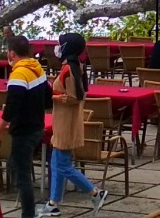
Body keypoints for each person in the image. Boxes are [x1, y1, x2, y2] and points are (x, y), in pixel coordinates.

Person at [32, 33, 106, 217]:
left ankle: (95, 193)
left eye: (59, 44)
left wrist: (53, 96)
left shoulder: (70, 69)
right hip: (63, 121)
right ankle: (53, 203)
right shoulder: (71, 67)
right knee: (56, 162)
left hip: (67, 122)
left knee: (63, 164)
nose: (57, 48)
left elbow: (74, 97)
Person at [0, 36, 64, 218]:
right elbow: (47, 98)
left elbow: (12, 107)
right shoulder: (37, 69)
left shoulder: (18, 75)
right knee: (16, 166)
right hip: (38, 126)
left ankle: (28, 214)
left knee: (23, 178)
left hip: (24, 130)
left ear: (11, 53)